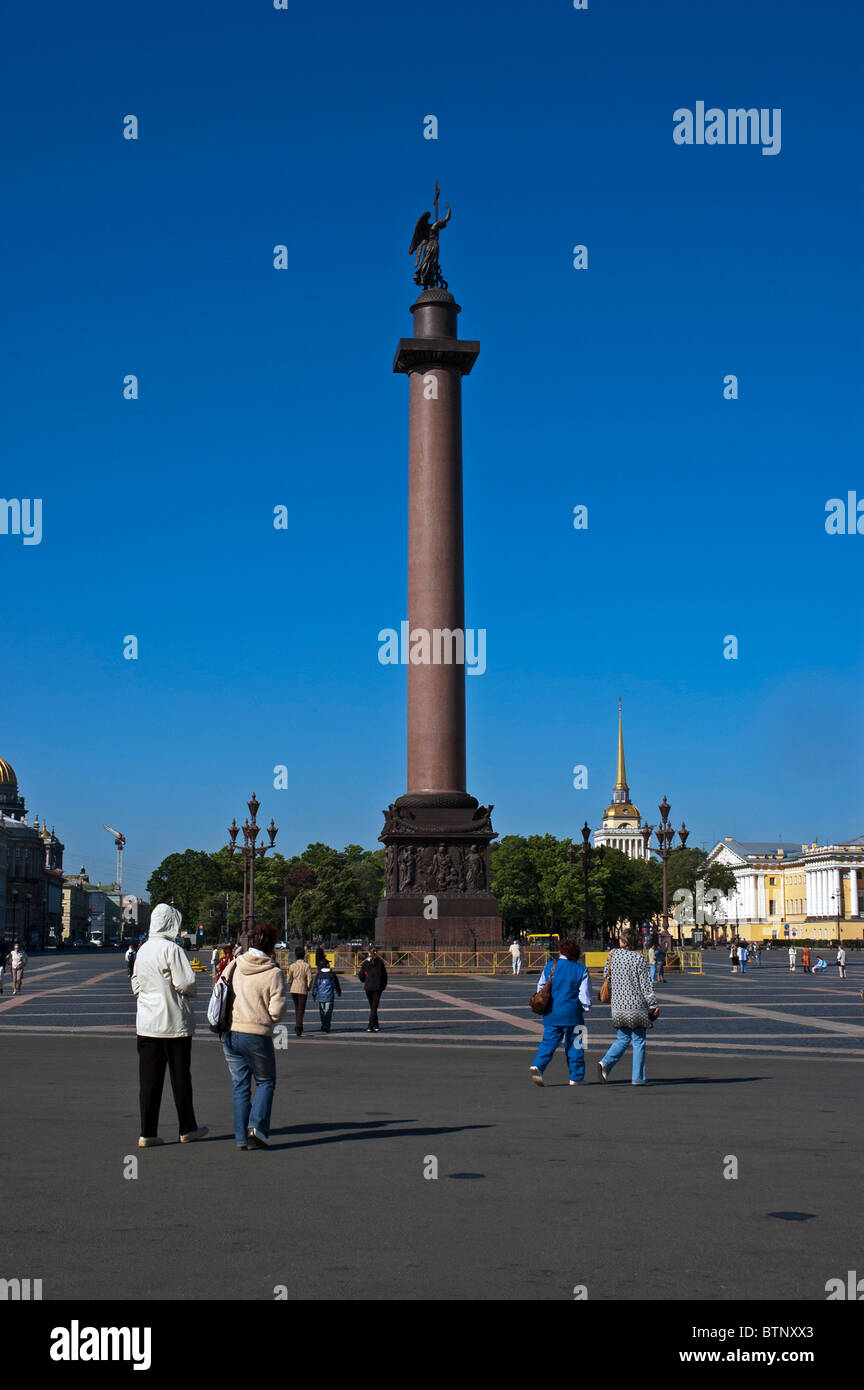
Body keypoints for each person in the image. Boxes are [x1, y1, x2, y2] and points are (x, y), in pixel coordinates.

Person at [131, 903, 207, 1147]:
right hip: (174, 1023)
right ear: (171, 924)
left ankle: (147, 1133)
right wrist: (185, 992)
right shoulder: (172, 949)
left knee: (149, 1081)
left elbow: (134, 983)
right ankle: (187, 1128)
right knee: (180, 1077)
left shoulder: (143, 950)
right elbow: (186, 982)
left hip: (146, 1024)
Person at [220, 921, 286, 1149]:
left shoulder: (235, 965)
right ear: (271, 946)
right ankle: (257, 1127)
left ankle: (241, 1138)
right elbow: (276, 1013)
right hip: (256, 1034)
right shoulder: (274, 972)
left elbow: (219, 991)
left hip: (230, 1032)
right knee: (266, 1081)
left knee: (240, 1084)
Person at [597, 929, 660, 1086]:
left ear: (623, 941)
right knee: (638, 1041)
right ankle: (637, 1077)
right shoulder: (638, 958)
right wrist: (653, 1005)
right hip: (637, 1006)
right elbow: (646, 985)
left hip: (618, 1005)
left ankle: (605, 1062)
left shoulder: (612, 955)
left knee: (623, 1039)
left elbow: (607, 976)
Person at [529, 939, 591, 1086]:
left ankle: (538, 1065)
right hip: (573, 1014)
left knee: (548, 1043)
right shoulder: (581, 969)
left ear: (561, 951)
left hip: (552, 1013)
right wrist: (585, 1008)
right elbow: (584, 995)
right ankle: (576, 1077)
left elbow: (541, 987)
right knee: (577, 1045)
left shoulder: (550, 966)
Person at [357, 949, 388, 1032]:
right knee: (374, 1007)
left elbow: (360, 976)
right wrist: (383, 986)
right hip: (377, 987)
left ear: (369, 954)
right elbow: (385, 976)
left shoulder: (365, 963)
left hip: (368, 987)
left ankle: (373, 1025)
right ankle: (372, 1025)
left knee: (373, 1007)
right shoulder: (380, 963)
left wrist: (365, 980)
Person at [286, 947, 313, 1036]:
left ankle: (298, 1024)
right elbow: (310, 979)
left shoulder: (292, 966)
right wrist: (308, 987)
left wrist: (291, 984)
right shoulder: (307, 966)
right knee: (301, 1009)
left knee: (297, 1007)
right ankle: (298, 1026)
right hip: (302, 988)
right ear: (304, 955)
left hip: (293, 988)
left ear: (295, 955)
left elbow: (288, 980)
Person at [312, 958, 342, 1032]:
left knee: (322, 1012)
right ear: (326, 965)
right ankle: (327, 1026)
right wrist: (339, 992)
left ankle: (323, 1025)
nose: (329, 964)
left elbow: (315, 985)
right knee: (328, 1012)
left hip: (321, 997)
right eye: (328, 963)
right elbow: (336, 984)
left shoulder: (318, 974)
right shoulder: (331, 974)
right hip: (329, 996)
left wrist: (314, 994)